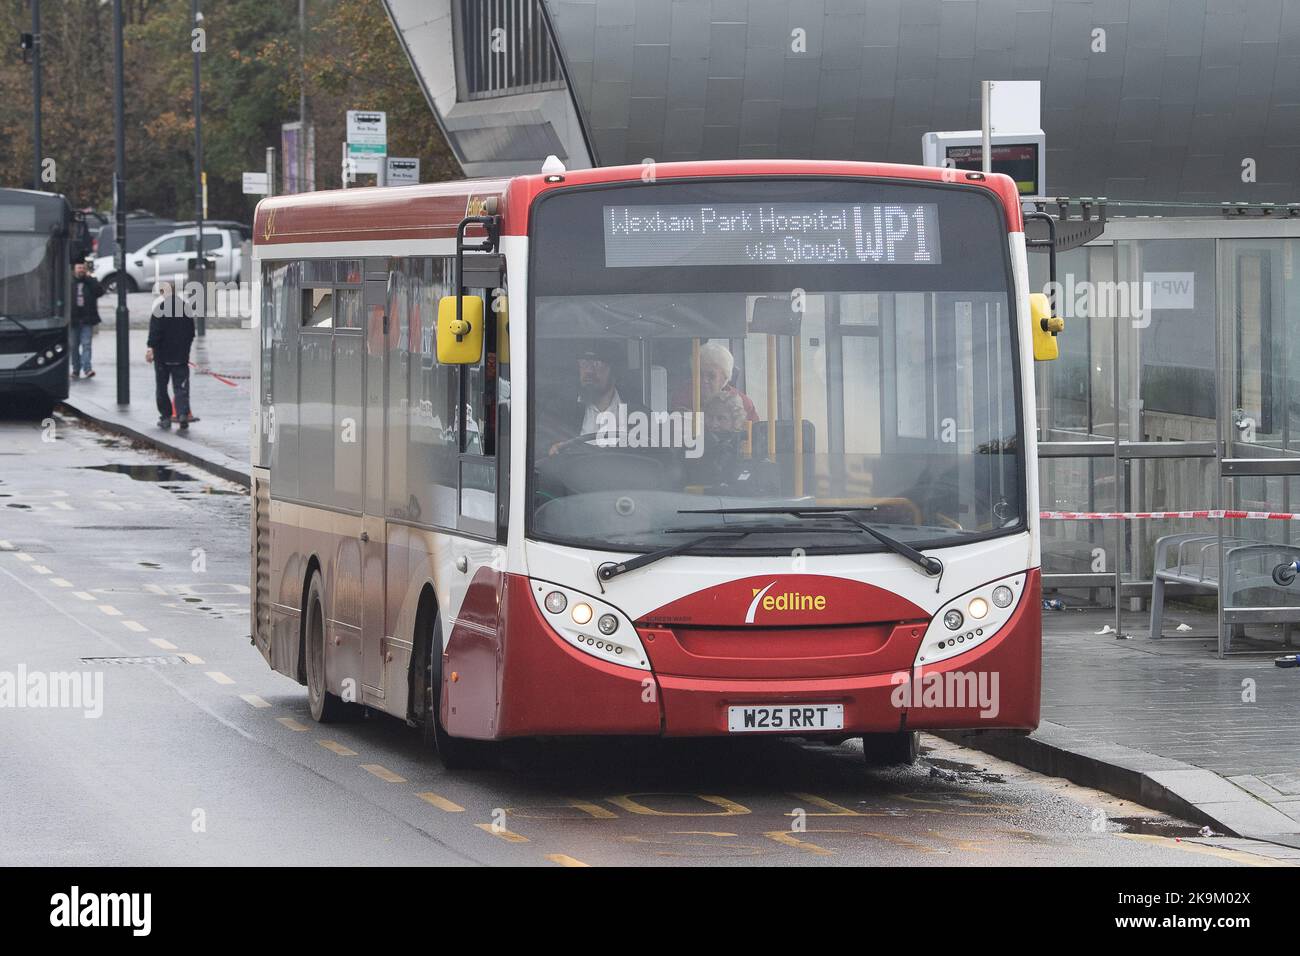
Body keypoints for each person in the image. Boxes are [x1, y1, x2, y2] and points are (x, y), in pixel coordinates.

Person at [547, 340, 647, 454]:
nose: (589, 371)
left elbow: (655, 458)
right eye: (584, 363)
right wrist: (552, 447)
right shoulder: (561, 410)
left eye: (597, 364)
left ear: (614, 371)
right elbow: (539, 446)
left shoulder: (639, 414)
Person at [146, 282, 196, 430]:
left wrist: (151, 349)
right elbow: (191, 332)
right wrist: (185, 348)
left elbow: (155, 334)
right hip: (180, 355)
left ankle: (166, 417)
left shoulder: (159, 310)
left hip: (162, 356)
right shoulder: (185, 309)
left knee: (162, 387)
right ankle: (182, 414)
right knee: (181, 386)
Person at [670, 341, 758, 422]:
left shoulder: (743, 404)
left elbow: (754, 435)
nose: (704, 380)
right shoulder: (682, 396)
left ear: (725, 378)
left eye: (711, 376)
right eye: (699, 374)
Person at [69, 261, 104, 379]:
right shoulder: (69, 282)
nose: (81, 270)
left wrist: (89, 279)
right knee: (74, 346)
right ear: (74, 269)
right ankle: (76, 369)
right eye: (79, 267)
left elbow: (100, 291)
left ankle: (87, 369)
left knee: (86, 344)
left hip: (87, 319)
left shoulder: (90, 282)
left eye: (83, 268)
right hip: (73, 319)